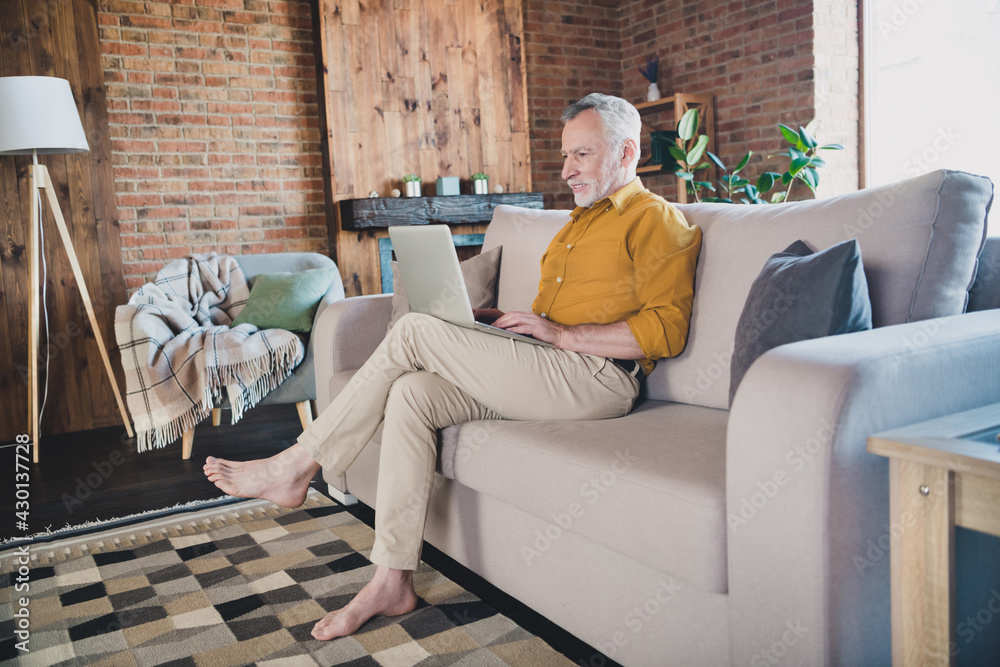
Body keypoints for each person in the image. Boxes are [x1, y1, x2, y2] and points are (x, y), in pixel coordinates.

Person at [203, 92, 702, 640]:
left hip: (598, 380)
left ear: (627, 151)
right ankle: (392, 579)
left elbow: (665, 330)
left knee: (415, 329)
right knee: (412, 393)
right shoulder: (575, 223)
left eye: (580, 155)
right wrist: (498, 322)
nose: (566, 171)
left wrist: (562, 334)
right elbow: (559, 314)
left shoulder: (659, 221)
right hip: (544, 365)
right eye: (565, 156)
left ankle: (297, 465)